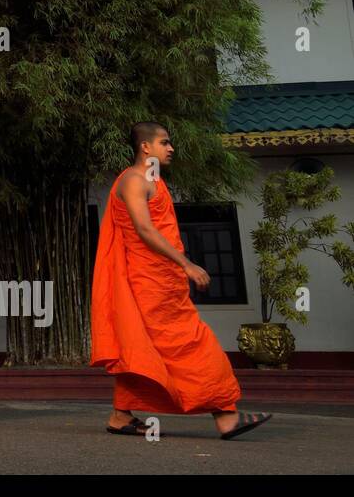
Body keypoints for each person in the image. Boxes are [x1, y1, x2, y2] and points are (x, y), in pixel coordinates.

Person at [91, 121, 271, 439]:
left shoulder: (153, 180)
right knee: (192, 343)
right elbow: (145, 229)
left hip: (161, 279)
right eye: (164, 142)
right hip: (148, 282)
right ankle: (226, 415)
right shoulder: (134, 180)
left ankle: (120, 415)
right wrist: (186, 263)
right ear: (145, 148)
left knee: (145, 348)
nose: (171, 148)